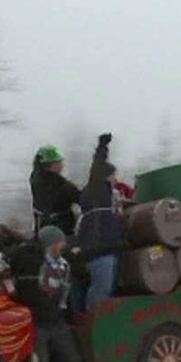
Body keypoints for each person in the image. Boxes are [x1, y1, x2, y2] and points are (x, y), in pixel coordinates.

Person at [8, 225, 97, 362]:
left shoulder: (60, 264)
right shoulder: (30, 261)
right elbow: (30, 292)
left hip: (56, 320)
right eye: (59, 243)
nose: (62, 247)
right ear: (50, 244)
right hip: (36, 322)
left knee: (72, 359)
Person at [76, 133, 125, 312]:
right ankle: (94, 320)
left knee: (106, 288)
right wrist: (102, 147)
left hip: (105, 247)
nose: (115, 179)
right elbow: (97, 168)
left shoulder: (104, 197)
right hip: (99, 248)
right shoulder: (97, 191)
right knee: (101, 289)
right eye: (113, 175)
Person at [29, 144, 81, 238]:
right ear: (52, 165)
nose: (62, 165)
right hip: (61, 228)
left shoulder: (34, 179)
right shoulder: (61, 185)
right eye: (59, 162)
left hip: (41, 224)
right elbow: (81, 198)